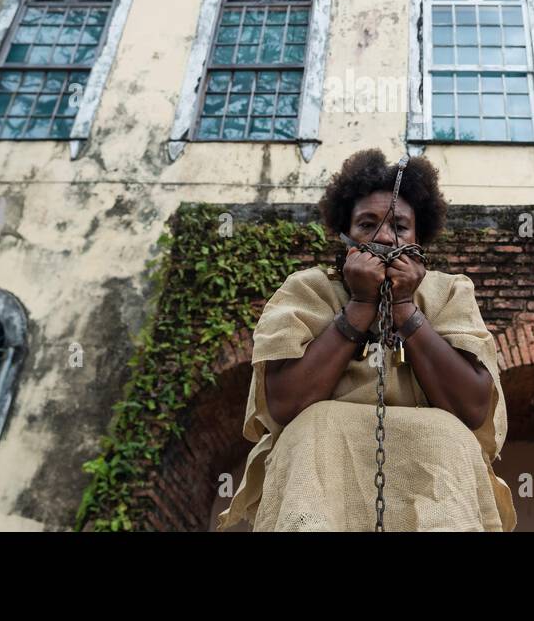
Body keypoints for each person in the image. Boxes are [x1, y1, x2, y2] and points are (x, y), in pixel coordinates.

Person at [215, 148, 516, 531]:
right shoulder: (306, 289)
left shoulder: (450, 293)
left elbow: (472, 410)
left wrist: (405, 308)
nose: (385, 237)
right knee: (312, 426)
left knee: (449, 435)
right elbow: (285, 405)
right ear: (346, 234)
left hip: (432, 458)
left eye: (400, 226)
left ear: (419, 238)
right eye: (367, 224)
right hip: (322, 454)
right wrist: (360, 305)